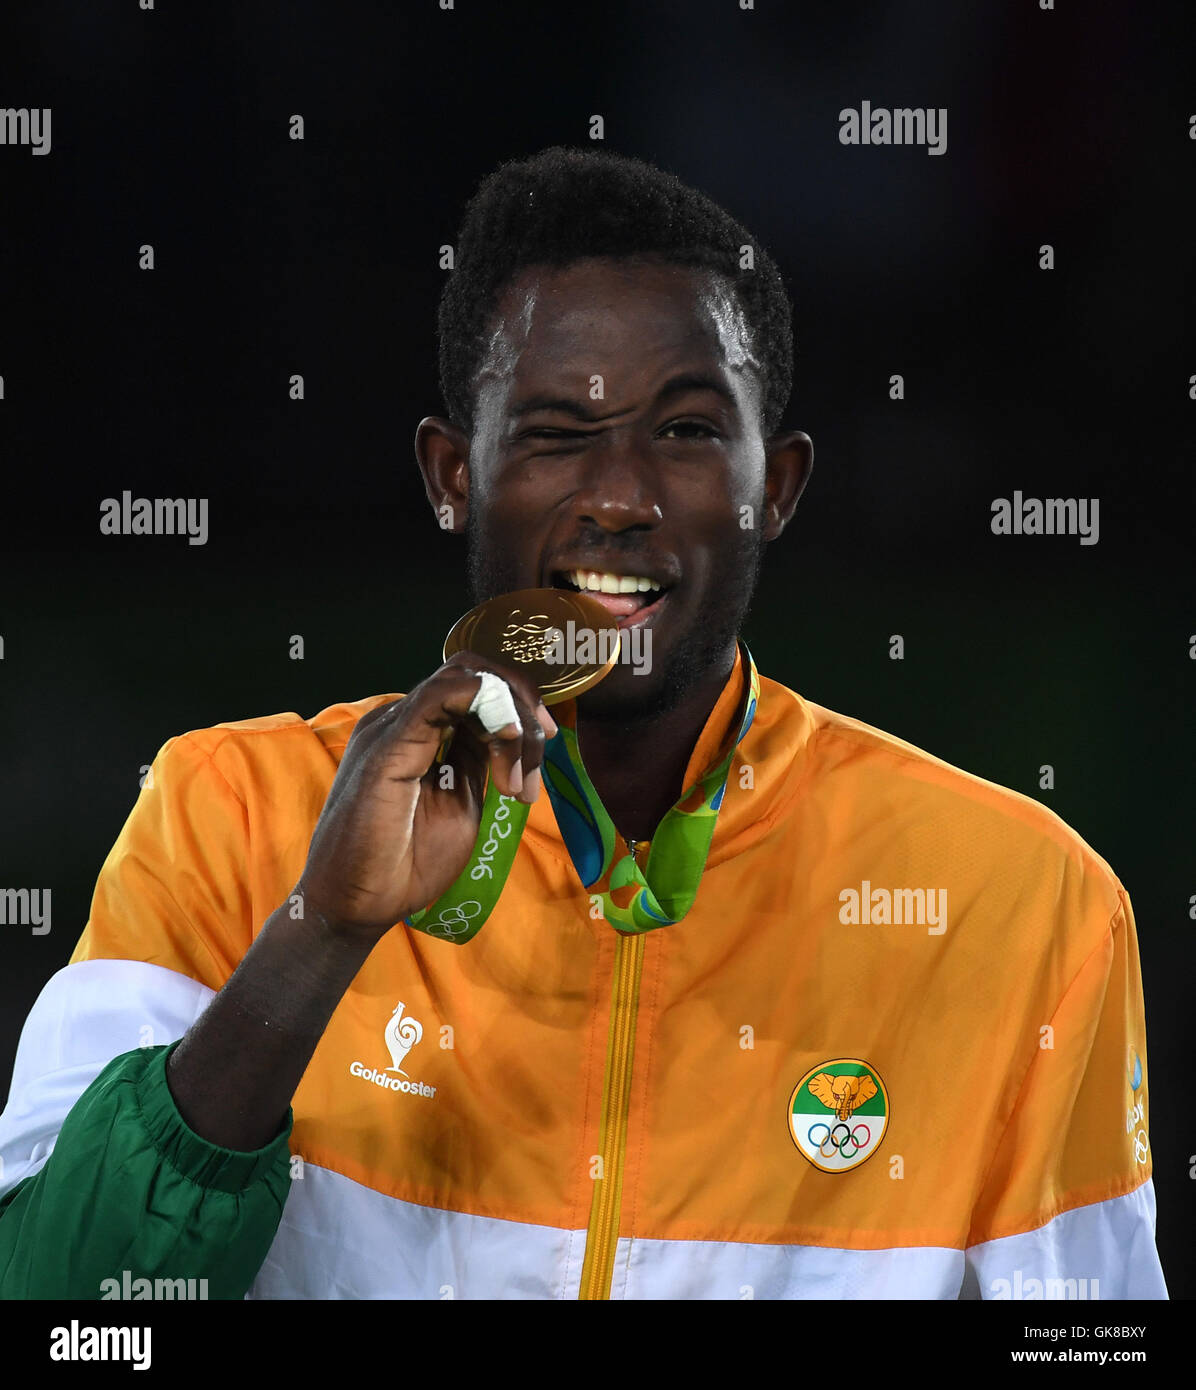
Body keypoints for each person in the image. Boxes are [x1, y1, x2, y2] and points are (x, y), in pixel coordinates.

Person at [0, 146, 1166, 1300]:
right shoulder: (224, 816)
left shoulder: (1021, 905)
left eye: (689, 430)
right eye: (557, 433)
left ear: (782, 487)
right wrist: (317, 934)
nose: (619, 496)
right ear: (452, 473)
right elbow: (62, 1302)